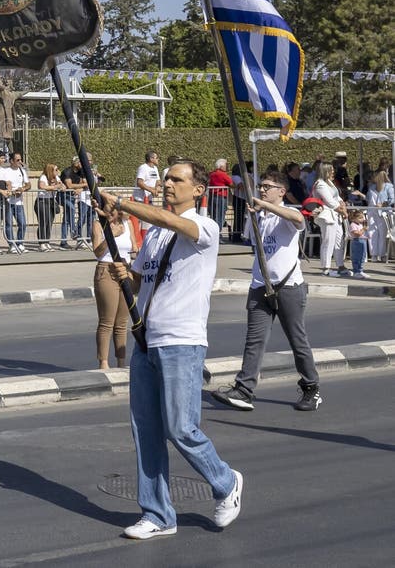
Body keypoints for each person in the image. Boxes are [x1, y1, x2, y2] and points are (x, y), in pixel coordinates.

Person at [100, 159, 242, 540]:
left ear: (198, 189)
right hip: (146, 339)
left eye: (177, 180)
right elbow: (142, 279)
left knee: (181, 428)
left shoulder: (205, 227)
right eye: (166, 178)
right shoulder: (156, 236)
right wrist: (124, 272)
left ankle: (226, 481)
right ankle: (158, 514)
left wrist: (123, 204)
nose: (167, 184)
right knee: (145, 431)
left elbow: (175, 223)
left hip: (182, 341)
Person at [211, 170, 322, 413]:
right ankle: (244, 389)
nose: (262, 189)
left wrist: (264, 206)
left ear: (281, 192)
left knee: (297, 340)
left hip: (288, 287)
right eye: (261, 186)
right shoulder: (259, 217)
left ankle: (311, 387)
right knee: (254, 341)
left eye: (269, 186)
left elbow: (298, 220)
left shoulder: (288, 213)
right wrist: (255, 214)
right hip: (260, 286)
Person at [91, 202, 135, 369]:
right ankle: (103, 363)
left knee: (122, 321)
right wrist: (111, 237)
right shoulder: (98, 225)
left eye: (110, 211)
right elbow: (97, 252)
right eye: (105, 211)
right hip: (106, 270)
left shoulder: (127, 223)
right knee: (107, 321)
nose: (108, 214)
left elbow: (134, 246)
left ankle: (121, 362)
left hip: (125, 269)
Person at [312, 162, 347, 276]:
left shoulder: (330, 183)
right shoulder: (320, 184)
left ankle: (340, 265)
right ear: (325, 171)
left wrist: (343, 206)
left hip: (336, 215)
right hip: (327, 216)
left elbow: (338, 197)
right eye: (331, 170)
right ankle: (325, 267)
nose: (333, 172)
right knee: (328, 241)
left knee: (338, 241)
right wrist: (342, 211)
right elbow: (330, 202)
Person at [133, 151, 162, 242]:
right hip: (140, 199)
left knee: (148, 220)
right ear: (151, 159)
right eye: (157, 158)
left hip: (149, 199)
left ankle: (145, 238)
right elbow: (140, 182)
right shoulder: (143, 168)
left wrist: (157, 187)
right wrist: (152, 190)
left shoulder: (155, 168)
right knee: (139, 220)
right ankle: (136, 240)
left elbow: (158, 181)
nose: (158, 160)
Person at [5, 151, 30, 253]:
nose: (20, 162)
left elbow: (28, 184)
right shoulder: (6, 171)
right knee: (9, 224)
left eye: (20, 160)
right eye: (17, 160)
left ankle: (20, 243)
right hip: (8, 201)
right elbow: (7, 184)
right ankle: (12, 245)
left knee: (23, 223)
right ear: (11, 161)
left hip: (19, 202)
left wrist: (22, 189)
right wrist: (12, 191)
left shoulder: (22, 170)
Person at [366, 169, 394, 262]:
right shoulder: (372, 186)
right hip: (372, 212)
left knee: (382, 234)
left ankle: (382, 254)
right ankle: (374, 254)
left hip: (383, 213)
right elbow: (368, 198)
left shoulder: (388, 186)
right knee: (372, 233)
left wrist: (383, 204)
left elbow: (392, 199)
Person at [35, 163, 64, 250]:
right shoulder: (44, 177)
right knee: (44, 222)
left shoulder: (56, 178)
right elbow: (42, 186)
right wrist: (55, 187)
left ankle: (47, 241)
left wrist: (61, 186)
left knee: (49, 223)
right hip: (42, 201)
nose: (57, 171)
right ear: (50, 170)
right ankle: (41, 242)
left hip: (51, 201)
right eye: (55, 169)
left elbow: (62, 185)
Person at [59, 156, 86, 249]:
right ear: (75, 163)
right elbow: (69, 185)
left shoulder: (81, 172)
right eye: (79, 162)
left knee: (66, 220)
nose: (81, 165)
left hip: (72, 196)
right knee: (72, 209)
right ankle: (74, 231)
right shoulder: (67, 172)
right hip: (63, 196)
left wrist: (80, 188)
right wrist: (81, 186)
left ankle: (63, 242)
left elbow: (84, 184)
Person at [208, 159, 233, 238]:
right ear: (221, 166)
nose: (227, 167)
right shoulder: (223, 174)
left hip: (212, 197)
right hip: (221, 197)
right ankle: (217, 236)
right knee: (220, 217)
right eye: (226, 165)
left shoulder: (211, 174)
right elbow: (232, 184)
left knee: (213, 217)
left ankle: (214, 235)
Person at [347, 209, 369, 279]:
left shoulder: (360, 224)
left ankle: (360, 270)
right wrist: (364, 229)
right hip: (357, 241)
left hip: (362, 241)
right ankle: (356, 271)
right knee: (357, 257)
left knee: (362, 256)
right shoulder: (353, 224)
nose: (362, 219)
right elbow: (357, 234)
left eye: (362, 217)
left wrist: (366, 235)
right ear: (353, 218)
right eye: (360, 218)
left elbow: (361, 234)